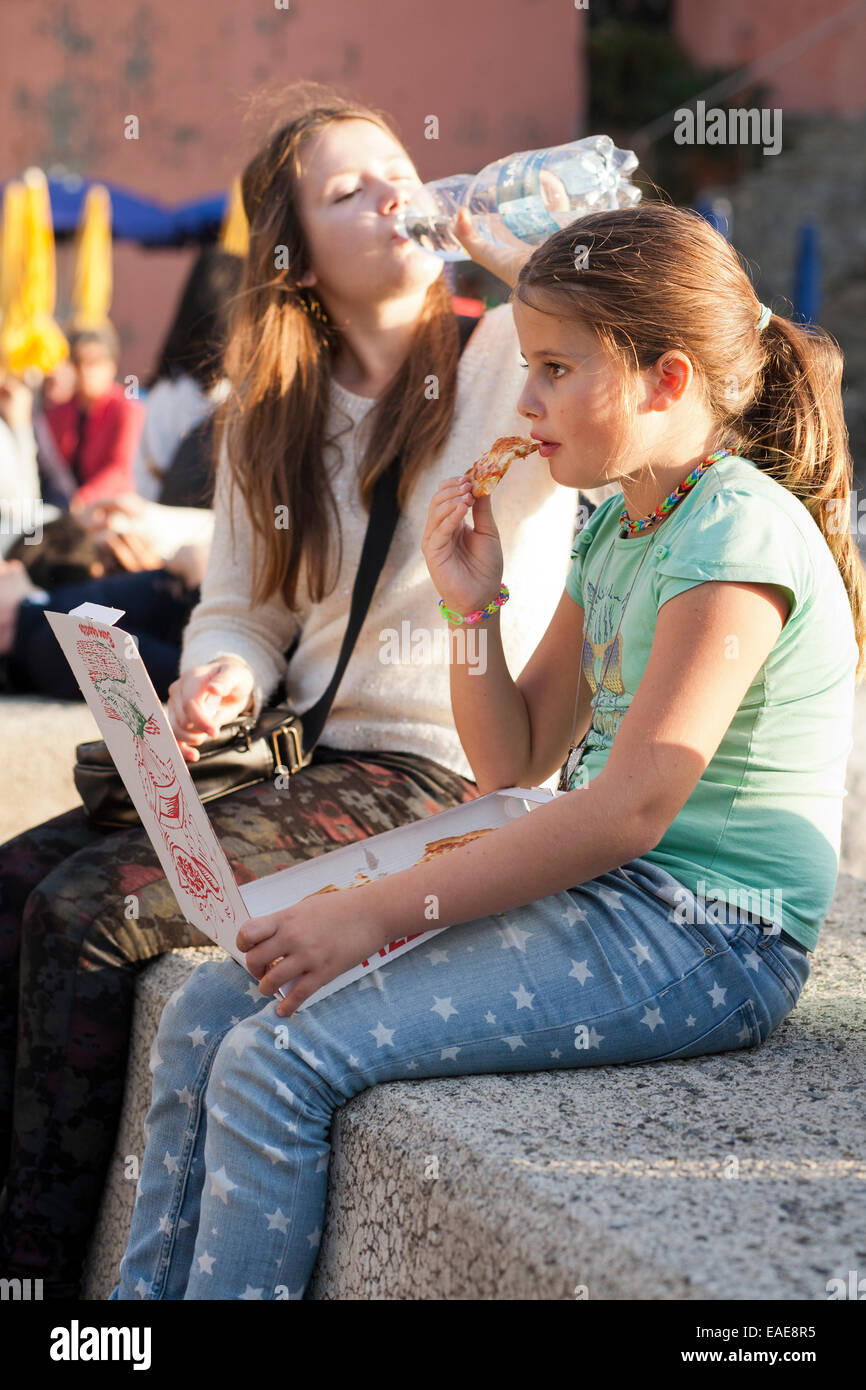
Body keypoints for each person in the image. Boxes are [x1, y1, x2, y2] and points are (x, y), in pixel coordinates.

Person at [111, 199, 863, 1301]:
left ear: (664, 381)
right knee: (208, 1009)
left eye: (556, 367)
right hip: (616, 892)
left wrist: (370, 911)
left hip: (708, 932)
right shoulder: (624, 521)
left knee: (278, 1061)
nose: (522, 399)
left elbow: (628, 809)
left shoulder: (735, 533)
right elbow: (515, 759)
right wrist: (474, 607)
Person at [0, 83, 615, 1299]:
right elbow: (245, 604)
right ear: (291, 254)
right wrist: (224, 668)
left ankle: (36, 1278)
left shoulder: (509, 352)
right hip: (292, 757)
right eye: (347, 188)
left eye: (396, 166)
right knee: (10, 884)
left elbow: (671, 327)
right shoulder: (265, 413)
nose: (393, 191)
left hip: (435, 768)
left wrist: (520, 243)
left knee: (85, 919)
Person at [38, 323, 144, 508]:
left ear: (111, 366)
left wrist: (83, 499)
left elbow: (119, 468)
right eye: (80, 363)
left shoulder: (125, 409)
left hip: (106, 505)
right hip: (63, 505)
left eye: (94, 363)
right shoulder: (58, 412)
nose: (86, 371)